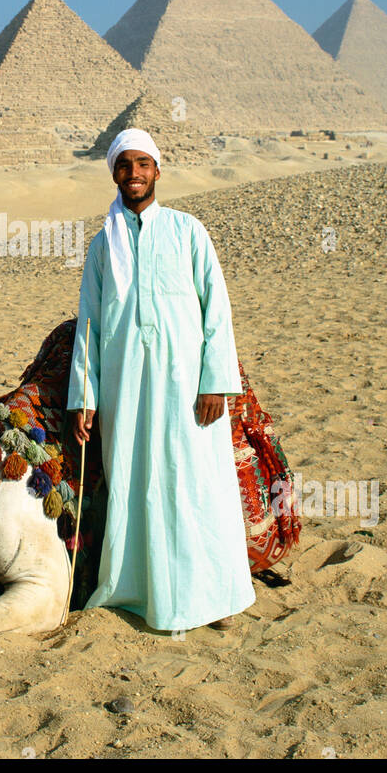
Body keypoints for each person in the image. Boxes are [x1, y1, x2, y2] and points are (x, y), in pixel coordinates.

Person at [66, 129, 254, 633]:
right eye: (124, 166)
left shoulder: (188, 230)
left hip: (186, 385)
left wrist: (216, 380)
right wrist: (85, 397)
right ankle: (139, 593)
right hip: (126, 386)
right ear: (114, 174)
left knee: (195, 483)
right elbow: (89, 322)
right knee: (135, 482)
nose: (134, 174)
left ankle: (211, 596)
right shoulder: (104, 245)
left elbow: (217, 309)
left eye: (143, 164)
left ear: (158, 170)